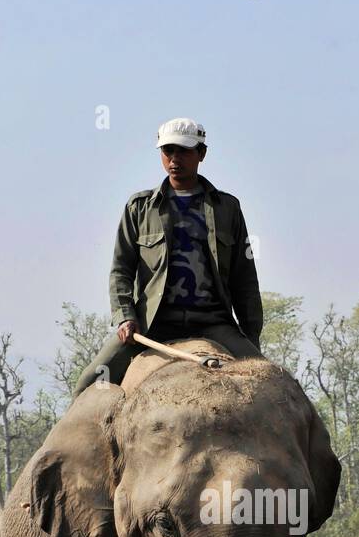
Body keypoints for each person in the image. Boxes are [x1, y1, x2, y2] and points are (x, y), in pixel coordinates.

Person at [73, 118, 263, 395]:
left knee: (277, 387)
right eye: (168, 151)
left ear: (201, 154)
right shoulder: (139, 207)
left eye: (184, 151)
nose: (175, 159)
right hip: (152, 324)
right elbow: (120, 269)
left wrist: (251, 339)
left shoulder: (227, 208)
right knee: (88, 384)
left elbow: (244, 278)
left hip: (213, 323)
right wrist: (125, 316)